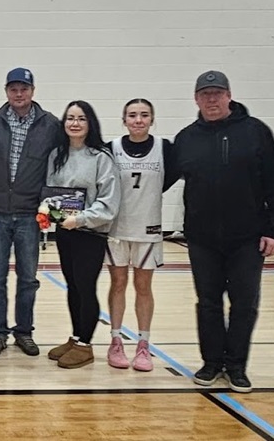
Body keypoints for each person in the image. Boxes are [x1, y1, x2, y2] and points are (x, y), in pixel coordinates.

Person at [167, 71, 274, 393]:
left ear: (229, 96)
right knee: (207, 302)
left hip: (247, 238)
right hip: (202, 238)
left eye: (217, 93)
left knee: (244, 303)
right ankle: (211, 363)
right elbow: (157, 179)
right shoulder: (186, 138)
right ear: (196, 99)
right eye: (205, 94)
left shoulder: (256, 132)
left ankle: (236, 366)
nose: (211, 99)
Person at [0, 68, 61, 358]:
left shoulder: (51, 125)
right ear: (6, 91)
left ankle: (24, 332)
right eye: (13, 88)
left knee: (28, 279)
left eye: (24, 88)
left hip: (29, 214)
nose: (19, 93)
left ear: (33, 90)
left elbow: (60, 166)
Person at [45, 101, 120, 369]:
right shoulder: (57, 155)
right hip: (65, 232)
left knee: (86, 287)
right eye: (70, 118)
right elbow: (52, 193)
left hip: (90, 234)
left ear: (90, 124)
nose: (74, 123)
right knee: (72, 286)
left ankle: (86, 344)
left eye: (81, 118)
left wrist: (81, 219)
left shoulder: (101, 157)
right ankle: (76, 336)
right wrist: (50, 215)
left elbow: (108, 203)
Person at [105, 99, 171, 372]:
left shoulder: (164, 148)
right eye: (132, 115)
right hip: (117, 229)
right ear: (124, 120)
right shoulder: (112, 148)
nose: (138, 120)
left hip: (149, 229)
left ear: (152, 119)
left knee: (143, 287)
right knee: (117, 284)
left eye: (144, 115)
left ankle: (143, 344)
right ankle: (116, 339)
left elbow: (170, 178)